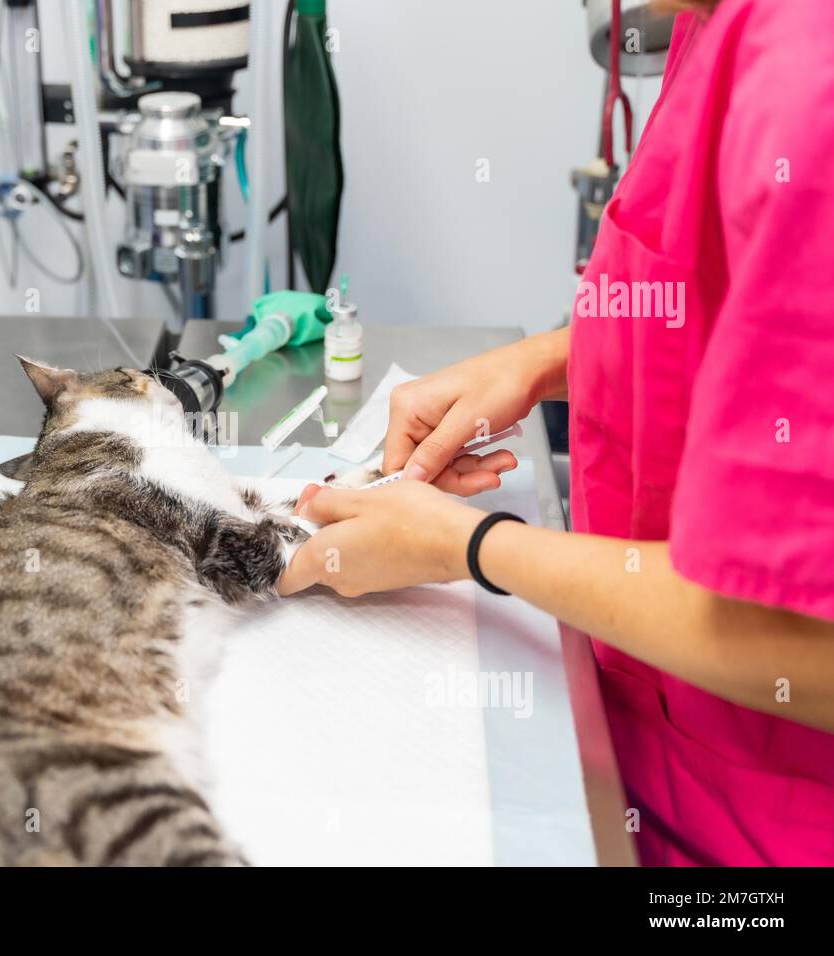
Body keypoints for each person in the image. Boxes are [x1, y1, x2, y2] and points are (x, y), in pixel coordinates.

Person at [280, 0, 834, 866]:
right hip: (659, 757)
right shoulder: (711, 26)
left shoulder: (809, 81)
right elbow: (741, 302)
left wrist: (472, 548)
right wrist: (545, 362)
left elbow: (809, 646)